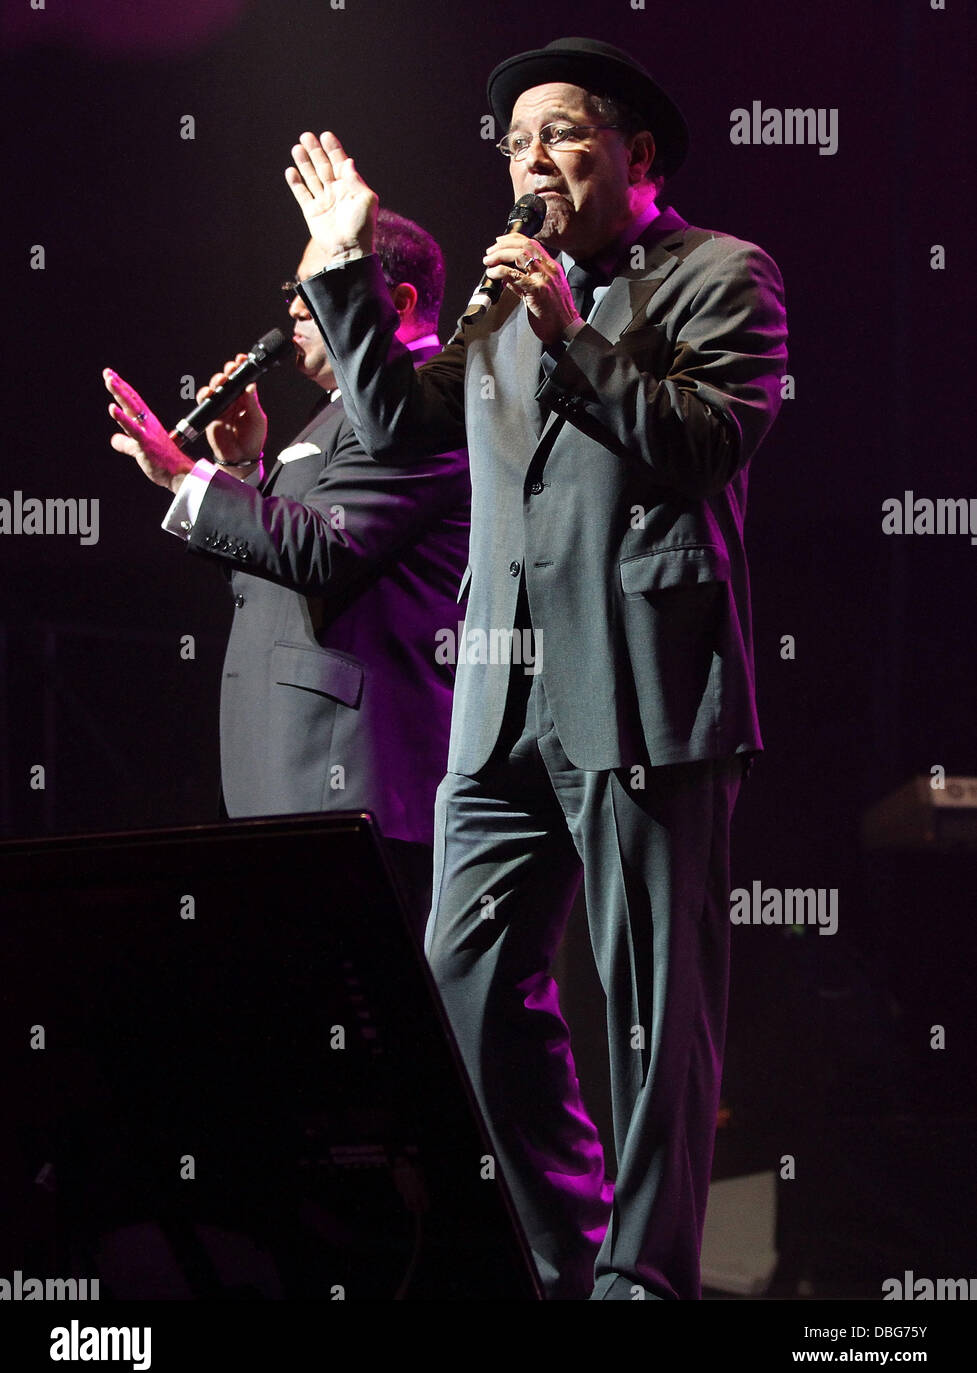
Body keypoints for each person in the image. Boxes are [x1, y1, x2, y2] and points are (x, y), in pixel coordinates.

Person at [284, 36, 788, 1299]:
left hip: (639, 683)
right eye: (513, 144)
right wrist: (343, 264)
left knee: (652, 1011)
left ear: (635, 154)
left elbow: (705, 442)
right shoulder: (504, 300)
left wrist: (572, 340)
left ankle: (646, 1278)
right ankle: (565, 1249)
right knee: (460, 971)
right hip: (497, 698)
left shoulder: (721, 275)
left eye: (557, 134)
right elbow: (400, 426)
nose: (530, 162)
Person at [103, 211, 471, 935]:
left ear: (392, 303)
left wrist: (188, 479)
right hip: (287, 771)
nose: (295, 310)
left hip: (352, 779)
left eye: (318, 289)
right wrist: (243, 469)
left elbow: (323, 552)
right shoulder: (333, 417)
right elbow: (282, 573)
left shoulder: (422, 398)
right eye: (293, 290)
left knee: (365, 1014)